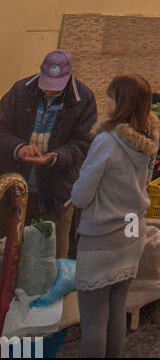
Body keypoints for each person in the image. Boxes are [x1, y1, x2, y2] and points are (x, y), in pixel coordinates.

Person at [69, 75, 159, 359]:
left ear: (122, 103)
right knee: (118, 307)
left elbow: (81, 195)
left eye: (110, 96)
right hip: (133, 232)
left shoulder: (106, 142)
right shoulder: (150, 138)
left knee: (94, 318)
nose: (105, 100)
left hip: (102, 236)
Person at [0, 50, 97, 258]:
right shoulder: (20, 91)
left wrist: (55, 157)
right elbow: (1, 128)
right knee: (7, 255)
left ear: (70, 75)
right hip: (14, 190)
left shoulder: (83, 99)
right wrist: (19, 147)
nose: (51, 92)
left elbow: (82, 144)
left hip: (56, 193)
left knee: (48, 259)